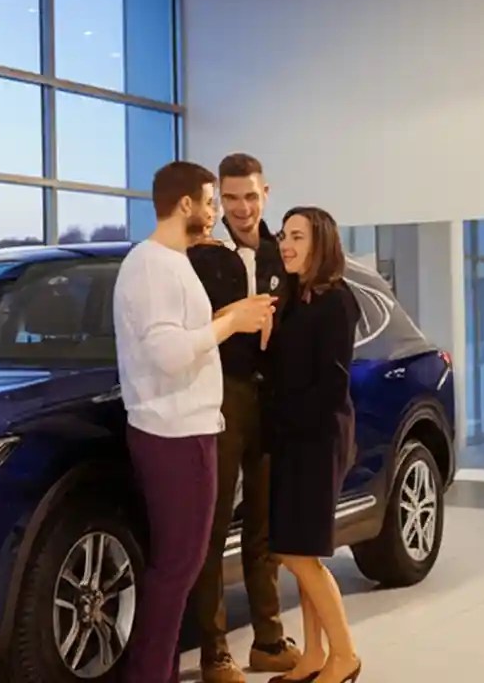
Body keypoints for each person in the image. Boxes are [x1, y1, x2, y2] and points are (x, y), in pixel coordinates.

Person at [113, 161, 276, 683]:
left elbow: (179, 337)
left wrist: (225, 321)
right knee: (178, 567)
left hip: (189, 428)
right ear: (186, 205)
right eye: (210, 202)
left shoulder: (169, 261)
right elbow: (166, 353)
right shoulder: (153, 265)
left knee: (178, 567)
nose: (214, 213)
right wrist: (232, 322)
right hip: (173, 433)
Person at [187, 153, 299, 683]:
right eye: (230, 198)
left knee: (264, 527)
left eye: (250, 196)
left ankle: (269, 641)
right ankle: (214, 653)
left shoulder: (284, 253)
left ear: (265, 194)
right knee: (212, 528)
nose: (241, 208)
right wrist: (233, 320)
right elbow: (182, 330)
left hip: (271, 402)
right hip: (220, 399)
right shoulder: (199, 258)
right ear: (219, 200)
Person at [264, 207, 362, 683]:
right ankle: (313, 655)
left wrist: (286, 418)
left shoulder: (337, 302)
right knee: (301, 550)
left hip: (317, 438)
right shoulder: (298, 297)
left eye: (297, 236)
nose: (286, 244)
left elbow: (331, 385)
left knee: (299, 553)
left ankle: (345, 655)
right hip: (293, 437)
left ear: (321, 242)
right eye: (284, 236)